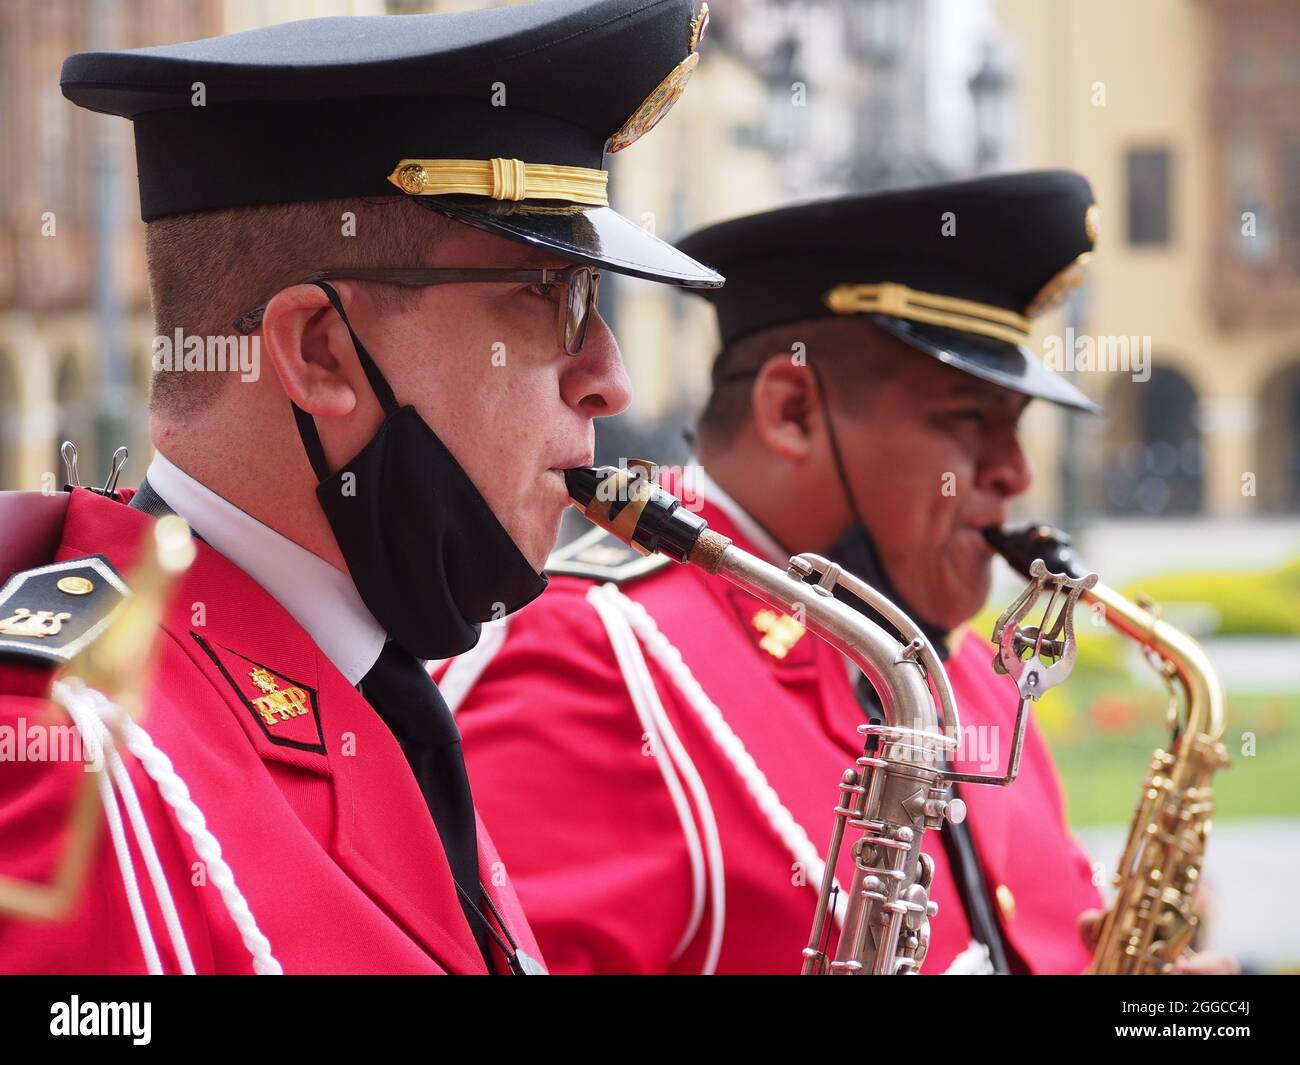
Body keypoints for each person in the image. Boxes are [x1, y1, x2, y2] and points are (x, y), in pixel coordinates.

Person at [0, 0, 720, 975]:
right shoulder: (79, 769)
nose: (611, 376)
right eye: (546, 299)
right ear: (320, 351)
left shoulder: (374, 685)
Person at [442, 170, 1235, 974]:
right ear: (792, 411)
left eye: (1016, 429)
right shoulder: (596, 660)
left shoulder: (960, 667)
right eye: (969, 421)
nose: (1015, 474)